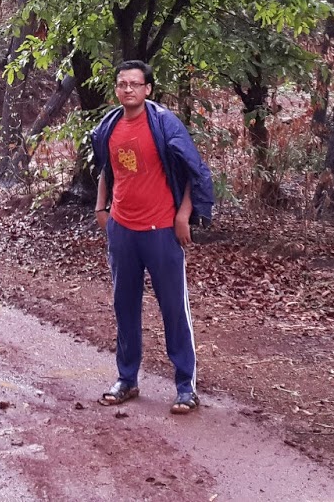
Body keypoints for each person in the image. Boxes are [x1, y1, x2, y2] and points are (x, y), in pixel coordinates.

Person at [90, 60, 215, 415]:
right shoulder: (110, 126)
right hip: (122, 231)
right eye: (121, 83)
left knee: (173, 309)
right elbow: (107, 168)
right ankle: (126, 379)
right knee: (124, 306)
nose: (127, 89)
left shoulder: (163, 124)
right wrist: (102, 209)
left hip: (161, 230)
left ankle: (184, 386)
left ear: (148, 90)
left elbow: (193, 170)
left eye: (134, 84)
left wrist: (184, 215)